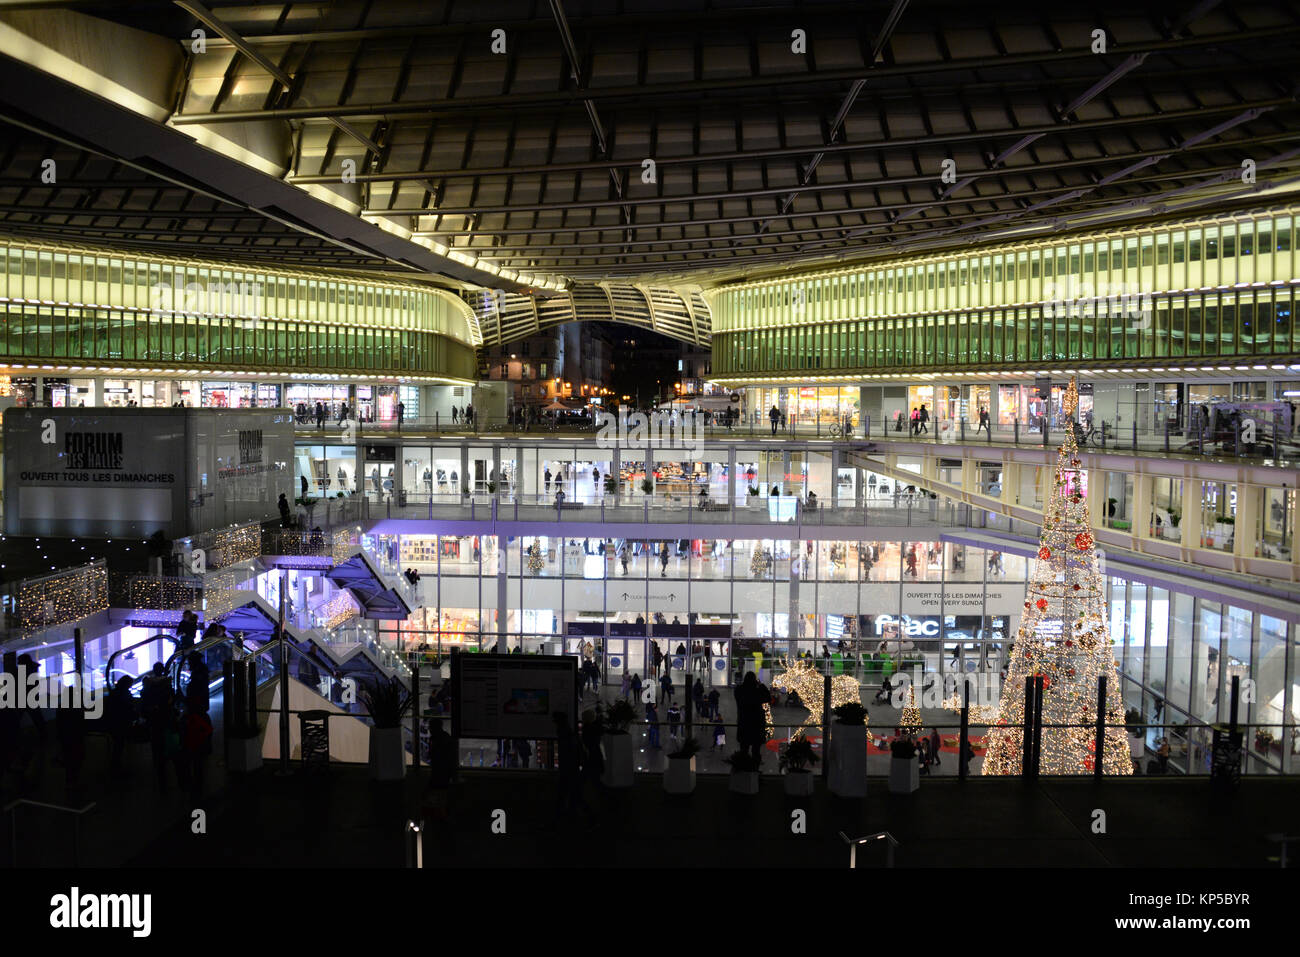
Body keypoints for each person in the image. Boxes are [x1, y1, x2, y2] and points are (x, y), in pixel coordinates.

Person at [734, 672, 770, 763]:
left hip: (744, 724)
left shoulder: (739, 690)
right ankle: (755, 768)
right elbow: (768, 698)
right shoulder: (757, 691)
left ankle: (743, 768)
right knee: (756, 751)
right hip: (757, 725)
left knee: (744, 750)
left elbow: (738, 693)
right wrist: (761, 685)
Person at [105, 675, 136, 777]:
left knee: (118, 745)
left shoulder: (114, 693)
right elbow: (129, 707)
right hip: (123, 723)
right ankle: (118, 766)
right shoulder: (125, 694)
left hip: (115, 723)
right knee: (120, 745)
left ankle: (116, 766)